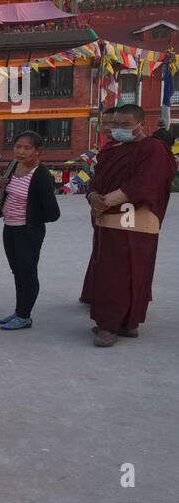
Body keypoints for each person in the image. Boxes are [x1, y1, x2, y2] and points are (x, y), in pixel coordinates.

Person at [81, 104, 176, 346]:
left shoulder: (154, 149)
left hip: (137, 218)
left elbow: (143, 184)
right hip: (107, 217)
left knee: (129, 272)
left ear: (141, 125)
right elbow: (96, 181)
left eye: (125, 124)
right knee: (109, 273)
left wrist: (106, 201)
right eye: (115, 124)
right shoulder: (112, 151)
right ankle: (118, 323)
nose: (118, 129)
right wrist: (93, 197)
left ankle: (113, 326)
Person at [0, 131, 62, 330]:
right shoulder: (12, 166)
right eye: (18, 146)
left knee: (27, 273)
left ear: (37, 151)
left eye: (27, 148)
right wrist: (1, 185)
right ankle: (19, 311)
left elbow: (53, 213)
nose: (21, 151)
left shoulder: (41, 174)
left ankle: (25, 316)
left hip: (28, 232)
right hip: (10, 228)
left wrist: (32, 218)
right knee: (17, 271)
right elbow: (6, 193)